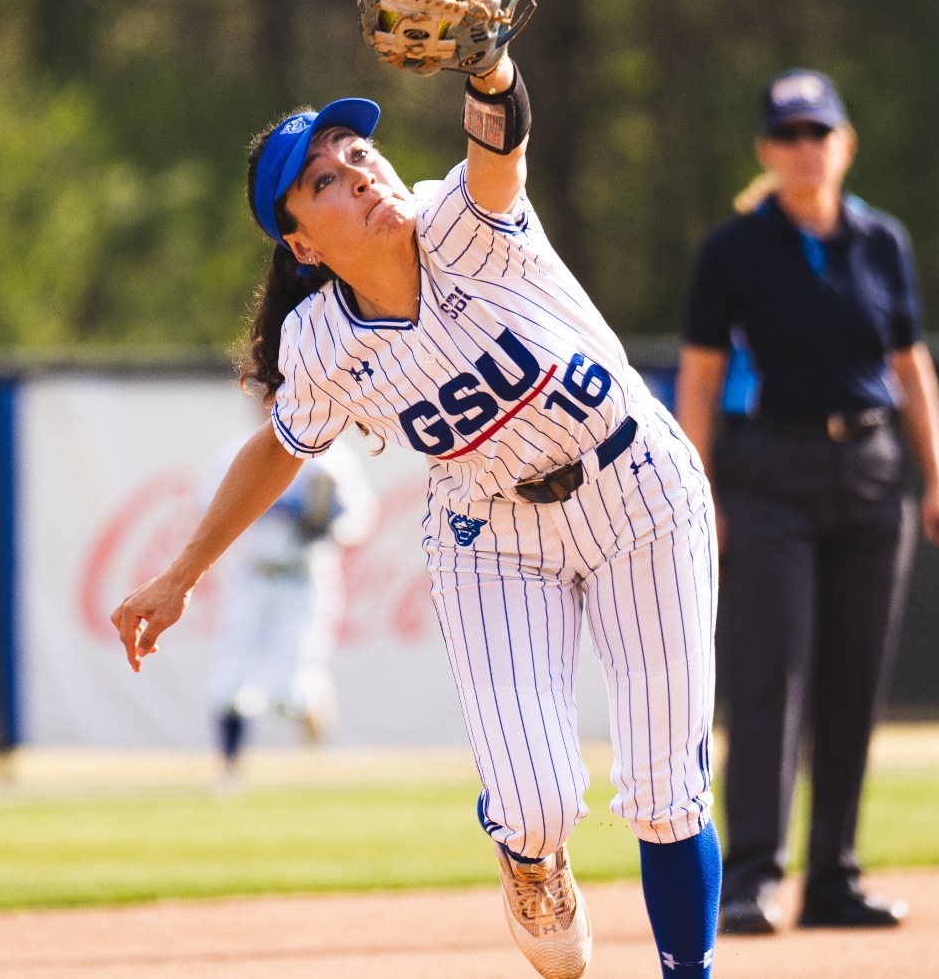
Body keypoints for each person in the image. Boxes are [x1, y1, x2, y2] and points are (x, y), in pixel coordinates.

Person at [110, 51, 723, 977]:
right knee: (538, 797)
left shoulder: (461, 223)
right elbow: (282, 444)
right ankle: (526, 853)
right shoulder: (320, 341)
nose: (358, 171)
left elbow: (500, 143)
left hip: (637, 489)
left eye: (359, 151)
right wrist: (178, 573)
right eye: (324, 179)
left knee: (667, 790)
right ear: (303, 244)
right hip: (494, 538)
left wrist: (488, 65)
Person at [676, 68, 939, 935]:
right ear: (768, 150)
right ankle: (753, 877)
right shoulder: (733, 249)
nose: (806, 149)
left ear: (844, 144)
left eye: (820, 133)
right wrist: (704, 493)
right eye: (789, 134)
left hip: (872, 471)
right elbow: (699, 377)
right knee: (773, 676)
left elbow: (911, 367)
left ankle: (834, 875)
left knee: (854, 678)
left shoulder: (881, 241)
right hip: (771, 471)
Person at [206, 438, 376, 789]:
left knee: (288, 693)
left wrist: (326, 519)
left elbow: (357, 522)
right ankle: (229, 773)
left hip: (305, 577)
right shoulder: (235, 453)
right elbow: (206, 511)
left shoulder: (331, 460)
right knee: (231, 680)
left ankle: (314, 725)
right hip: (252, 575)